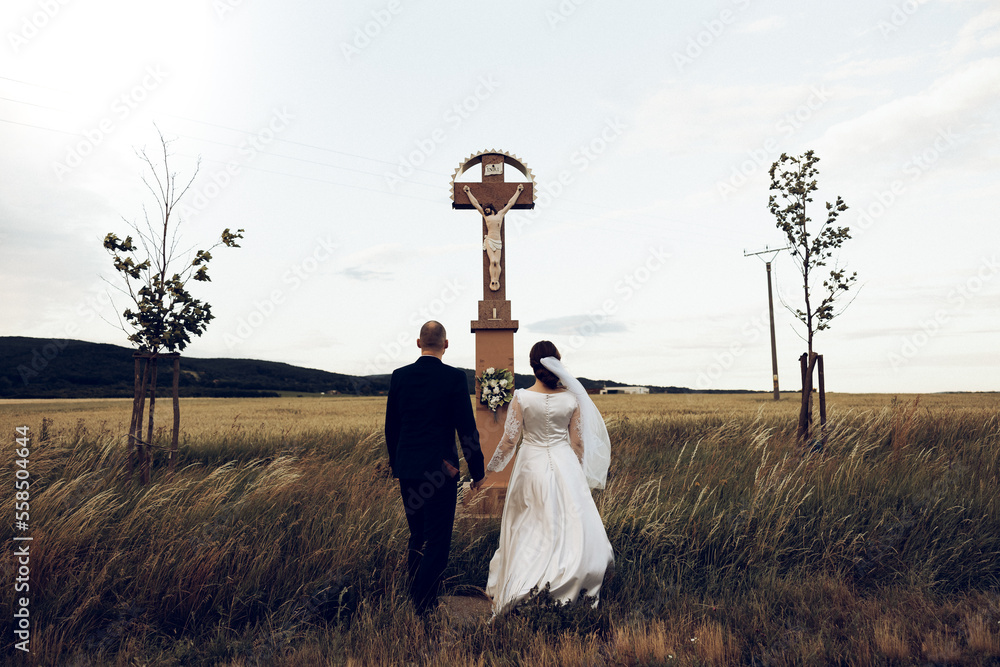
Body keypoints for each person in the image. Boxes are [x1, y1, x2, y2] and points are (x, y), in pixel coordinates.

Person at [483, 340, 614, 614]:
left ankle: (524, 581)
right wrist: (575, 473)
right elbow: (578, 443)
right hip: (563, 460)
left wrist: (489, 470)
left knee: (529, 523)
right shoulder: (571, 398)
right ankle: (568, 576)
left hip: (530, 464)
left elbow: (509, 441)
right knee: (568, 521)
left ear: (532, 365)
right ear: (556, 362)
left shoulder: (520, 396)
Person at [384, 320, 486, 616]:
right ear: (446, 344)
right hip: (441, 471)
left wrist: (397, 464)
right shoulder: (454, 378)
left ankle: (416, 594)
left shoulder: (400, 376)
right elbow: (466, 429)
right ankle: (424, 603)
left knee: (417, 534)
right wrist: (477, 472)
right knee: (438, 539)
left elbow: (392, 427)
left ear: (419, 343)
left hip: (409, 469)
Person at [464, 183, 523, 292]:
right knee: (493, 261)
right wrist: (468, 192)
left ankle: (497, 280)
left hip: (498, 241)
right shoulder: (486, 217)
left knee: (498, 262)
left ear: (491, 208)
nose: (485, 210)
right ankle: (492, 280)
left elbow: (510, 203)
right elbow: (475, 204)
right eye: (484, 209)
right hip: (490, 240)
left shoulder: (500, 215)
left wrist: (518, 191)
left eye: (487, 208)